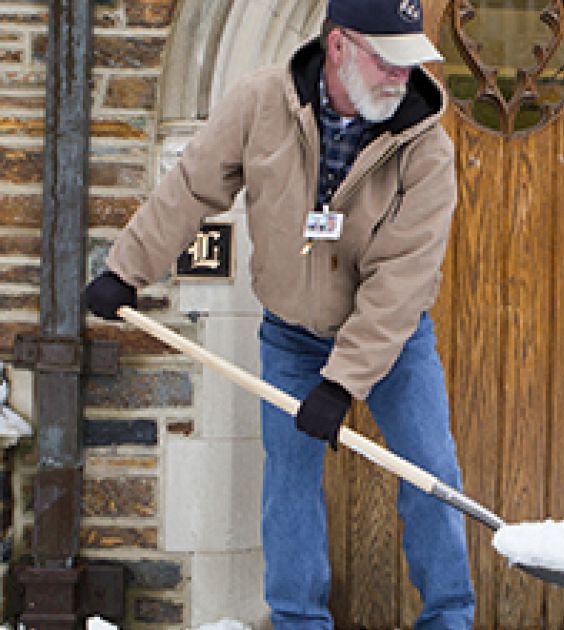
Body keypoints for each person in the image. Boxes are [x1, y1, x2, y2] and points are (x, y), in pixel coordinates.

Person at [82, 0, 474, 627]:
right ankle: (298, 621)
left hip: (392, 344)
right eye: (387, 60)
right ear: (340, 45)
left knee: (430, 471)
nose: (401, 77)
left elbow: (400, 283)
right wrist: (124, 269)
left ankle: (450, 616)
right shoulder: (261, 102)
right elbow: (191, 187)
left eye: (410, 60)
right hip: (291, 336)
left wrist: (343, 381)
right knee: (289, 486)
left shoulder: (425, 149)